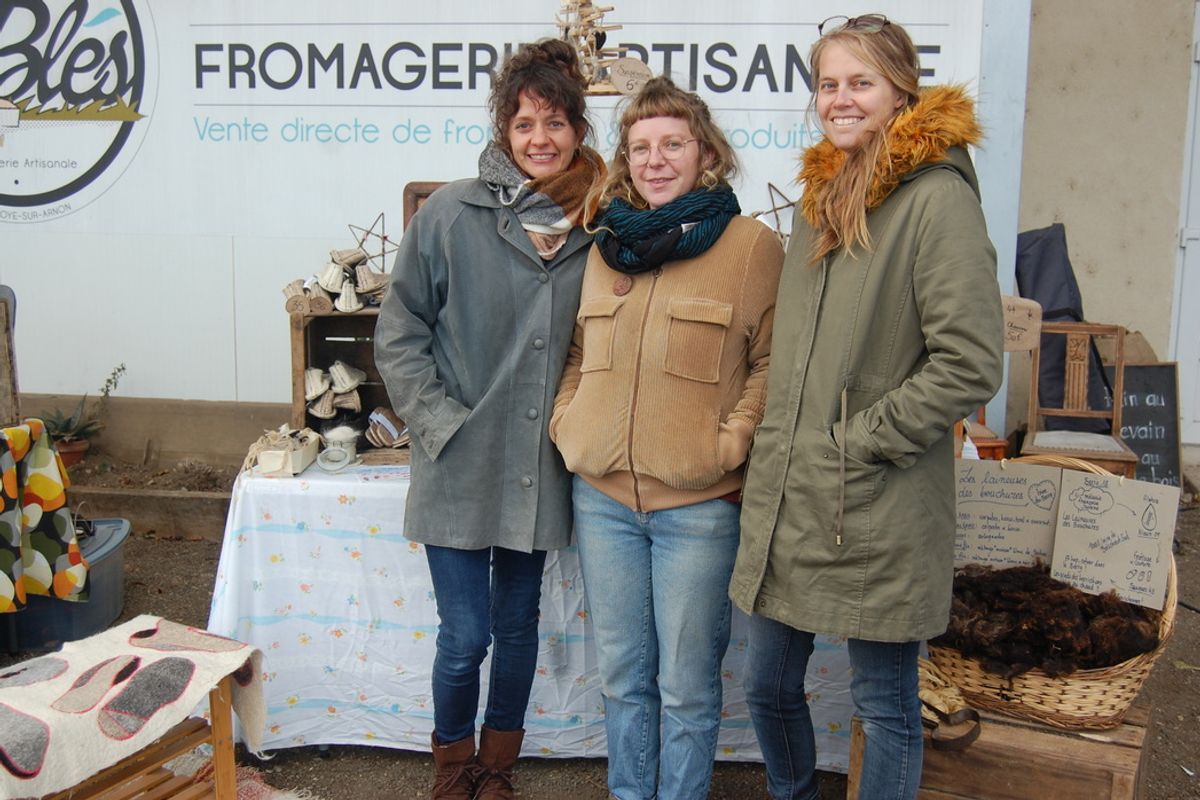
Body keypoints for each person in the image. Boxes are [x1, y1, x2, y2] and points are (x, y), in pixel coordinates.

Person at [729, 15, 1004, 800]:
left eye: (861, 83)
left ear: (900, 90)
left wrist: (858, 441)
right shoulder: (823, 197)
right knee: (767, 686)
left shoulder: (936, 201)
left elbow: (970, 362)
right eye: (828, 84)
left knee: (885, 705)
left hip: (873, 498)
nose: (840, 100)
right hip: (793, 491)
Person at [373, 39, 605, 800]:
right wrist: (439, 422)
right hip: (460, 460)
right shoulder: (451, 214)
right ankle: (452, 768)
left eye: (556, 123)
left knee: (517, 632)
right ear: (503, 131)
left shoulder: (600, 222)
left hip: (540, 465)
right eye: (524, 123)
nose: (541, 139)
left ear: (579, 130)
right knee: (465, 635)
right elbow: (399, 330)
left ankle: (497, 771)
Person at [550, 76, 784, 800]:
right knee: (623, 680)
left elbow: (774, 362)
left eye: (673, 144)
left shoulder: (751, 247)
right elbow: (578, 354)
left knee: (685, 687)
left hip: (698, 506)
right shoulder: (605, 243)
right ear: (624, 158)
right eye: (641, 146)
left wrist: (730, 441)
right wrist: (569, 424)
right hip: (603, 502)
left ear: (704, 152)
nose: (655, 160)